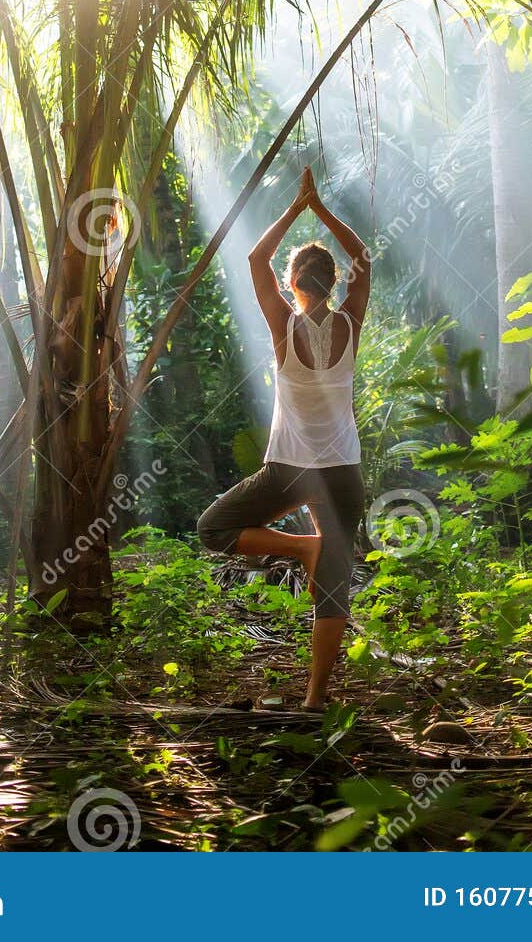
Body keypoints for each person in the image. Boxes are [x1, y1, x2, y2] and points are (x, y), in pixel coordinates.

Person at [197, 166, 371, 710]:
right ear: (334, 283)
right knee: (334, 588)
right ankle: (315, 699)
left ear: (293, 285)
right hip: (342, 471)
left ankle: (302, 548)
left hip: (290, 468)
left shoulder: (284, 329)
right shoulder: (350, 324)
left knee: (213, 527)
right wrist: (319, 208)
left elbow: (255, 260)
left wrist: (296, 208)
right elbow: (364, 259)